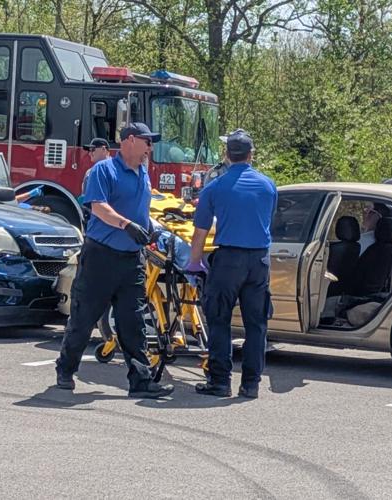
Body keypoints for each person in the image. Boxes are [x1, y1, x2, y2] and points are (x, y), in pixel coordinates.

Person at [52, 122, 174, 399]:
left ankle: (140, 380)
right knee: (84, 317)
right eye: (147, 142)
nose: (150, 148)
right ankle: (66, 369)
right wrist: (127, 225)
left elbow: (140, 210)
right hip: (101, 257)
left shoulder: (143, 173)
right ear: (130, 140)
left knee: (132, 322)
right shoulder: (103, 170)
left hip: (131, 259)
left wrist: (151, 228)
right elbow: (99, 207)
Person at [187, 129, 277, 399]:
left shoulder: (214, 188)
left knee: (219, 320)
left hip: (228, 260)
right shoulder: (268, 185)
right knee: (256, 324)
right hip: (259, 260)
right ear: (251, 155)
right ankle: (250, 385)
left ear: (226, 155)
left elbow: (200, 233)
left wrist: (194, 264)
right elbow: (267, 220)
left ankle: (220, 381)